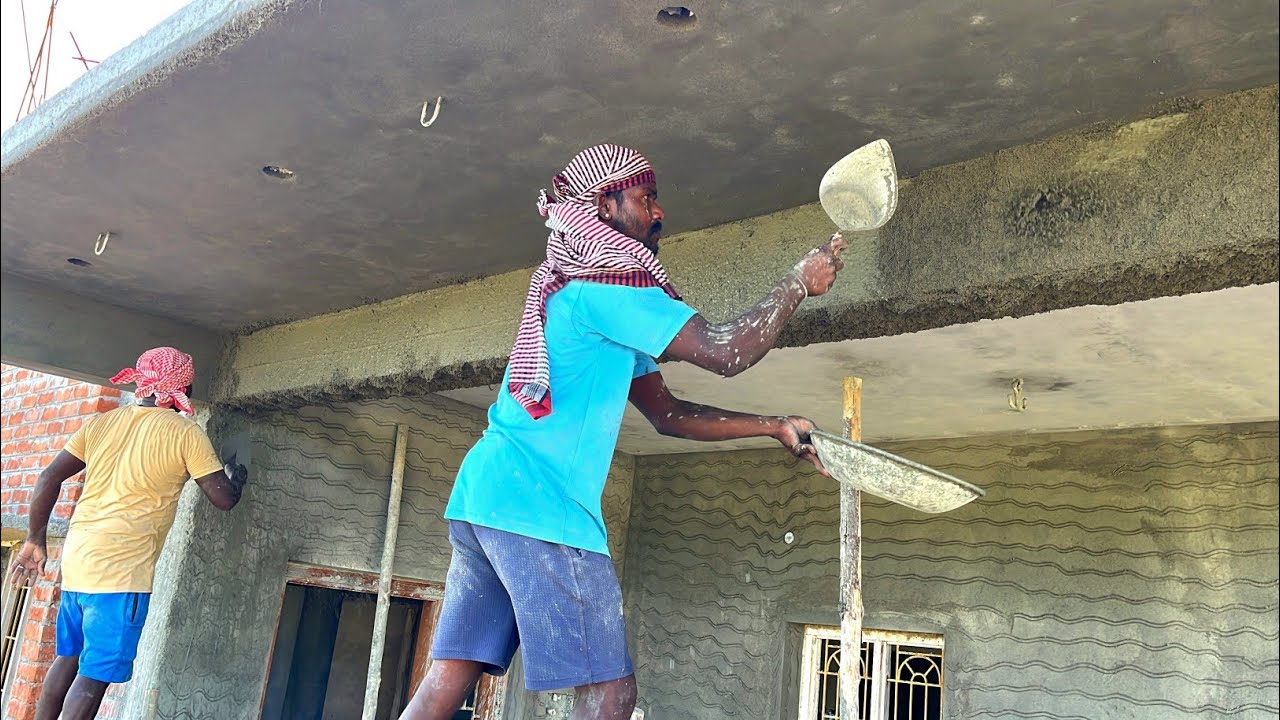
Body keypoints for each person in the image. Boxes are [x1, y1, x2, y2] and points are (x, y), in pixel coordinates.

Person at [401, 144, 845, 720]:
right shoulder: (606, 293)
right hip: (541, 507)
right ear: (605, 206)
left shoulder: (579, 296)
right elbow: (725, 351)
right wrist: (797, 284)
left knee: (445, 681)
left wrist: (773, 427)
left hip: (485, 498)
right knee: (611, 694)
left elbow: (669, 415)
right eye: (645, 198)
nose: (659, 213)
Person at [5, 347, 248, 720]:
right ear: (185, 385)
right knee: (93, 678)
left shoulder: (102, 423)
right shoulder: (185, 433)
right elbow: (222, 500)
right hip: (121, 573)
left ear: (141, 380)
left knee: (67, 659)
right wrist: (237, 479)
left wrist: (36, 538)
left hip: (79, 562)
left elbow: (48, 476)